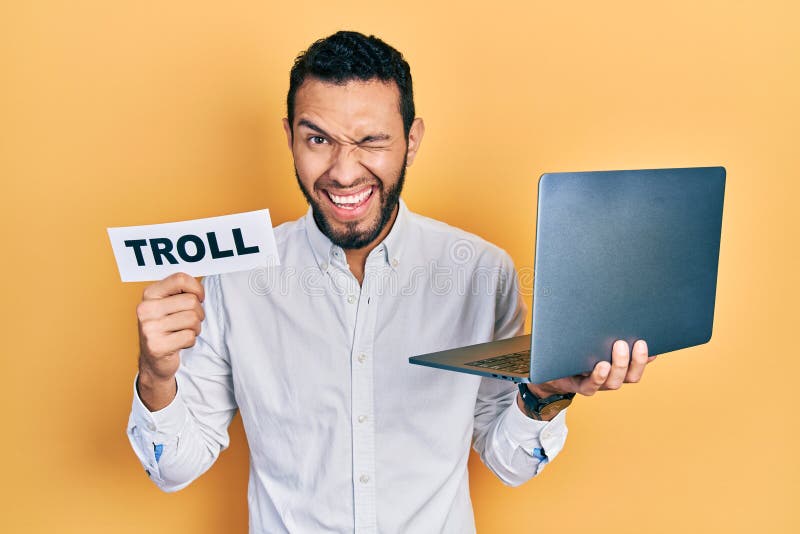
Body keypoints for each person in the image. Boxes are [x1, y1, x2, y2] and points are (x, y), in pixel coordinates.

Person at [128, 31, 654, 533]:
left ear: (412, 139)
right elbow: (173, 467)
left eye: (371, 142)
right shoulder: (233, 279)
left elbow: (510, 462)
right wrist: (155, 375)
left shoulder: (480, 270)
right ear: (289, 138)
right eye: (318, 139)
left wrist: (545, 393)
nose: (344, 171)